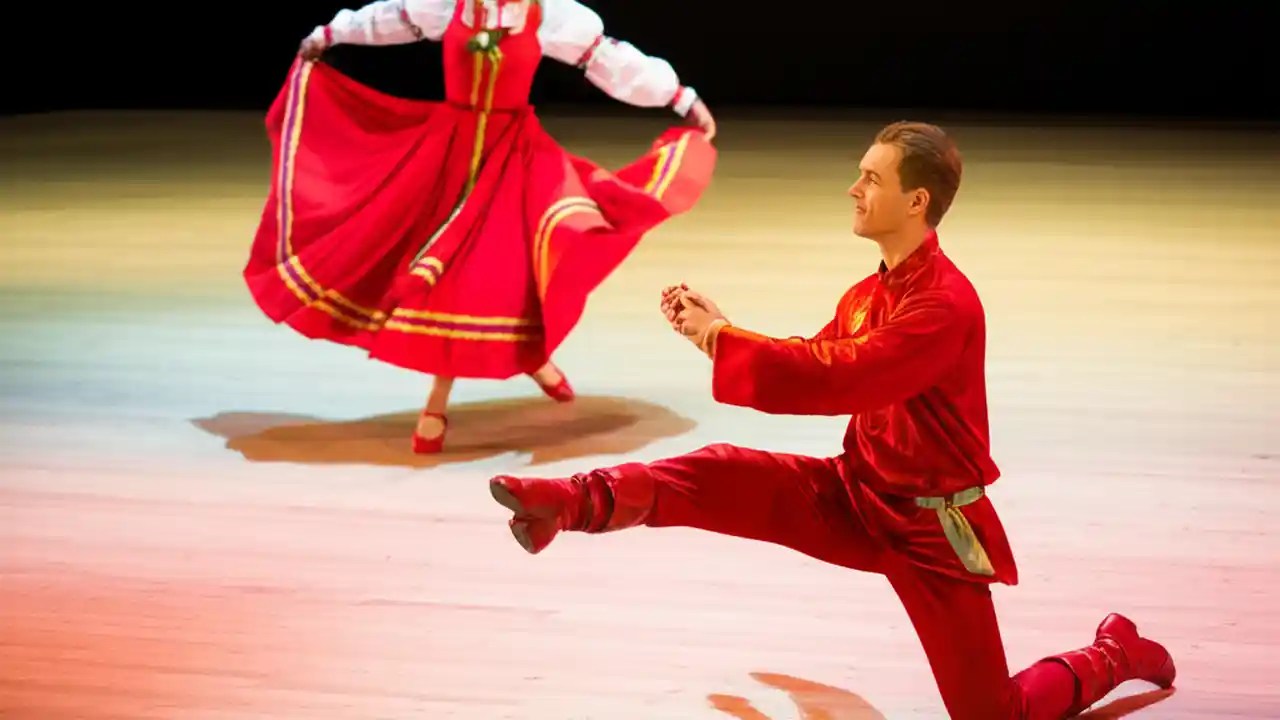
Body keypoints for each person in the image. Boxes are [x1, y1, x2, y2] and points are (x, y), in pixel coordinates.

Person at [488, 121, 1176, 718]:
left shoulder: (944, 306)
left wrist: (717, 340)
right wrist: (726, 329)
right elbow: (819, 355)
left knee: (993, 713)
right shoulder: (867, 293)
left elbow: (842, 375)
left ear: (916, 200)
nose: (854, 188)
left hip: (931, 531)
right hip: (854, 495)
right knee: (715, 472)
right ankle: (565, 504)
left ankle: (1113, 652)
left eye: (870, 178)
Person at [244, 0, 718, 453]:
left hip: (515, 156)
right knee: (448, 271)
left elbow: (613, 63)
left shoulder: (546, 16)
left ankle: (505, 369)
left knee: (513, 263)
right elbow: (388, 20)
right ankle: (497, 376)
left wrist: (681, 98)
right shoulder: (449, 9)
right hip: (449, 154)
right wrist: (330, 34)